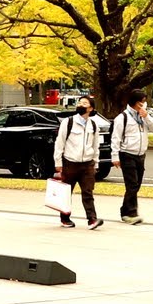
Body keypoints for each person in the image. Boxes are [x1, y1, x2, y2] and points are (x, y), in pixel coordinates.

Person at [53, 98, 106, 230]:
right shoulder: (69, 122)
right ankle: (65, 218)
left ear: (91, 108)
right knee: (66, 192)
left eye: (85, 103)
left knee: (88, 192)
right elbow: (59, 143)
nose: (81, 105)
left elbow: (95, 146)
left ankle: (92, 219)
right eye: (80, 102)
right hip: (70, 163)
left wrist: (96, 163)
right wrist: (58, 162)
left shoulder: (93, 125)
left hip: (87, 164)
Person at [111, 90, 153, 225]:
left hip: (140, 154)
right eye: (140, 102)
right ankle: (131, 213)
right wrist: (115, 155)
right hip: (127, 154)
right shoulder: (123, 118)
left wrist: (147, 117)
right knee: (132, 185)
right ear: (133, 102)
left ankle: (125, 210)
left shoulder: (143, 116)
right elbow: (115, 138)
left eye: (144, 102)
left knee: (136, 185)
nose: (143, 105)